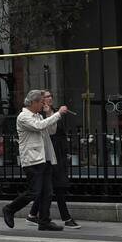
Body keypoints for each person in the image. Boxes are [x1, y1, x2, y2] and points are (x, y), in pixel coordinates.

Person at [2, 89, 68, 231]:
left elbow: (51, 131)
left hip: (44, 158)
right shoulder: (23, 117)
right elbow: (39, 126)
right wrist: (58, 114)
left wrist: (50, 113)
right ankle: (9, 209)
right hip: (32, 160)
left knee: (47, 192)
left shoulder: (37, 115)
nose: (42, 105)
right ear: (33, 102)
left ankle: (44, 221)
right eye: (41, 102)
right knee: (34, 192)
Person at [31, 91, 79, 228]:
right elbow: (50, 130)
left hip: (60, 152)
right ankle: (66, 217)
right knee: (58, 185)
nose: (49, 98)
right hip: (51, 152)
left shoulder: (56, 111)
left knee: (52, 186)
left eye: (50, 95)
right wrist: (50, 114)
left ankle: (32, 214)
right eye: (46, 96)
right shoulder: (40, 115)